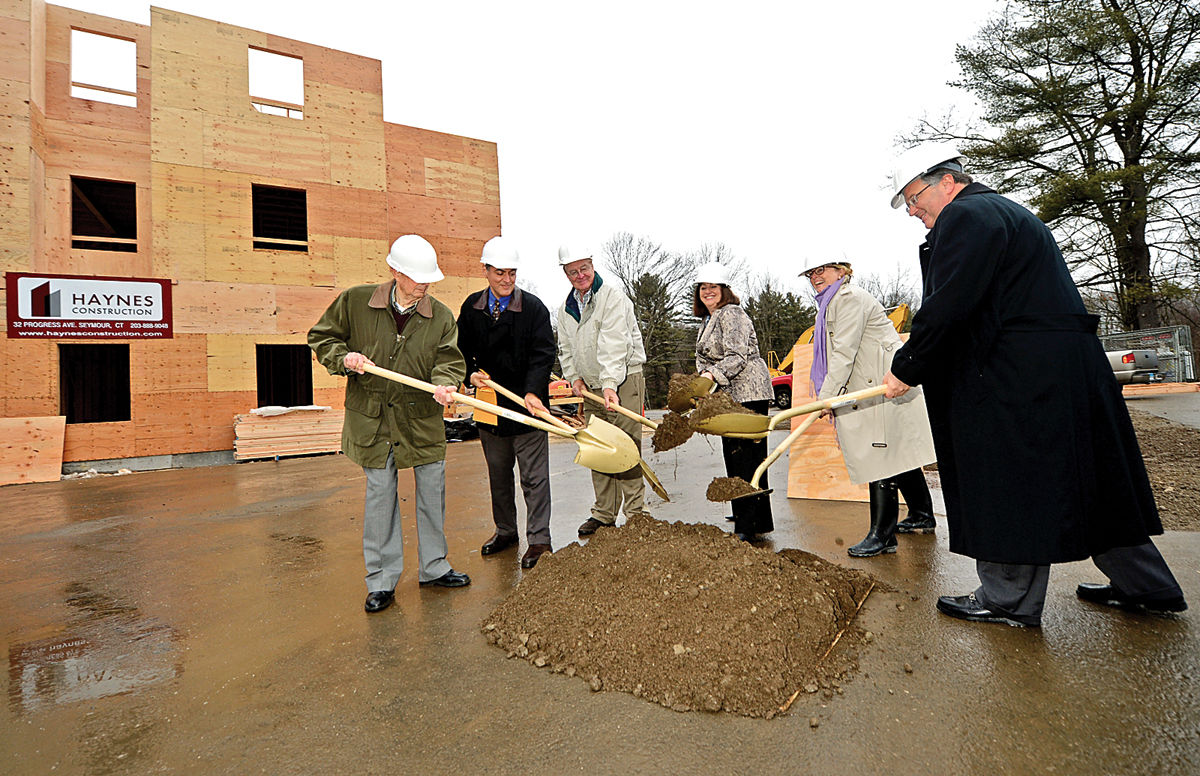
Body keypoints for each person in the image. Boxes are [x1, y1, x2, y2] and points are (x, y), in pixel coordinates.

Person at [884, 144, 1186, 627]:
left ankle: (1008, 600)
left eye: (915, 197)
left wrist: (908, 364)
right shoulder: (1006, 212)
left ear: (946, 181)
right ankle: (1147, 586)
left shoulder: (967, 217)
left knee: (1006, 478)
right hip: (1064, 370)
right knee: (1094, 477)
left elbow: (952, 303)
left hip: (1014, 375)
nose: (913, 210)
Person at [308, 234, 470, 614]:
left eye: (428, 277)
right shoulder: (356, 302)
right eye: (416, 276)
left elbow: (450, 359)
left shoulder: (441, 316)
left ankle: (434, 567)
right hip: (374, 420)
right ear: (394, 271)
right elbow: (321, 337)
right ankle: (381, 581)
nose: (424, 284)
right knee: (381, 499)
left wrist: (446, 383)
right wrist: (343, 357)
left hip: (420, 419)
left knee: (433, 492)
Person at [802, 259, 938, 557]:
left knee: (880, 454)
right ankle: (922, 515)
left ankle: (883, 535)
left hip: (881, 384)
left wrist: (827, 398)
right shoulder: (832, 302)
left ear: (840, 270)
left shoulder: (848, 299)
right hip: (876, 381)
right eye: (811, 273)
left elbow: (843, 354)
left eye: (821, 270)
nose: (815, 278)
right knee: (898, 451)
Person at [457, 236, 556, 569]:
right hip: (489, 407)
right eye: (499, 273)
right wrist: (470, 374)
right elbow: (459, 351)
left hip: (527, 407)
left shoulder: (533, 309)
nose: (507, 280)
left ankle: (540, 540)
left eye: (512, 273)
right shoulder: (472, 309)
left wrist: (533, 390)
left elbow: (544, 354)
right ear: (485, 270)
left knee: (534, 478)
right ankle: (506, 531)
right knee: (499, 476)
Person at [555, 245, 648, 536]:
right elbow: (566, 349)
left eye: (584, 268)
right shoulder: (565, 309)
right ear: (566, 273)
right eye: (573, 271)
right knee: (599, 448)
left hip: (623, 380)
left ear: (592, 265)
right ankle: (604, 513)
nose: (580, 275)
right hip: (591, 387)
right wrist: (574, 378)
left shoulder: (612, 298)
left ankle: (636, 514)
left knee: (626, 445)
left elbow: (614, 345)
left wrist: (609, 385)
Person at [693, 262, 775, 541]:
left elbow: (737, 356)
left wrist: (710, 375)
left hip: (749, 392)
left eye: (713, 287)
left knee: (747, 458)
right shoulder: (708, 319)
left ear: (724, 290)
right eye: (703, 288)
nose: (707, 292)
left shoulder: (732, 314)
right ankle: (746, 511)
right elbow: (705, 358)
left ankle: (750, 522)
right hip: (728, 393)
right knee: (734, 455)